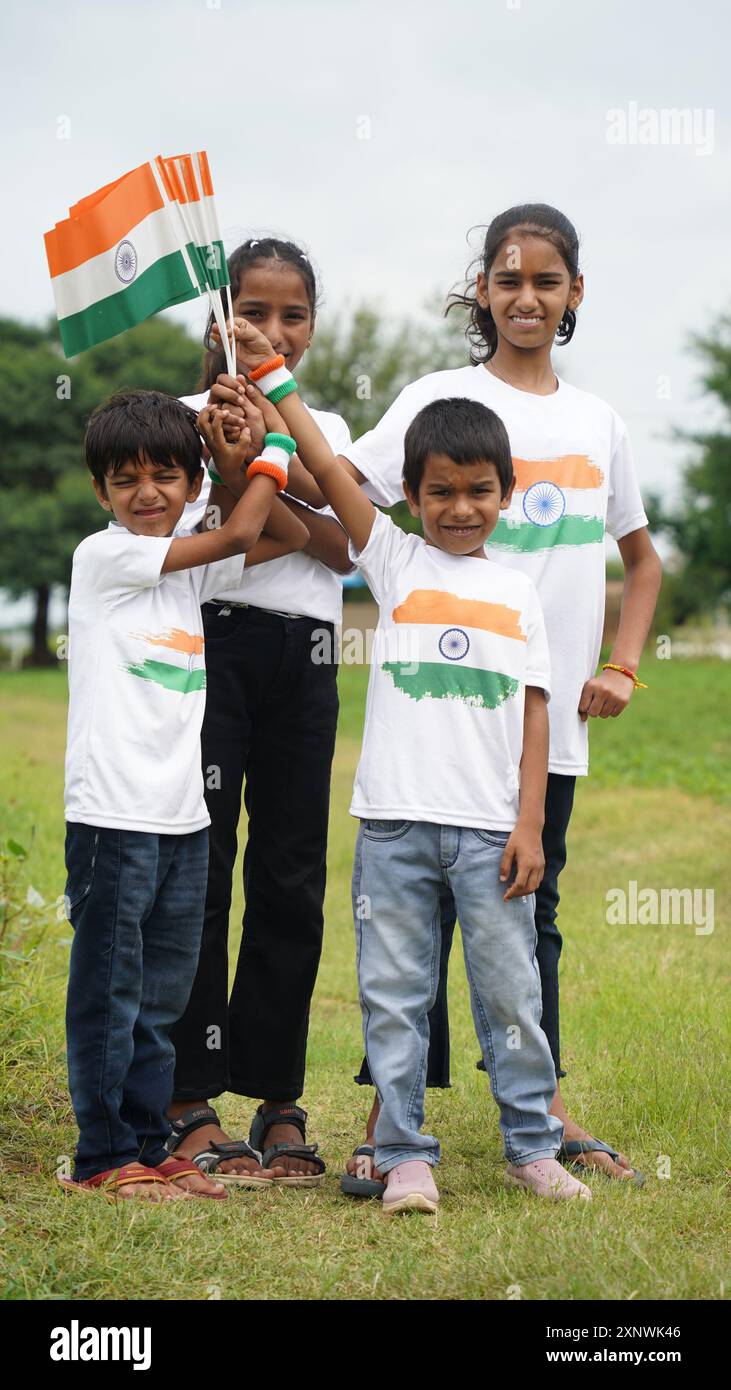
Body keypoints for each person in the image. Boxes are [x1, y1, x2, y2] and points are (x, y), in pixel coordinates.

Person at [316, 204, 662, 1193]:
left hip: (532, 717)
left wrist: (621, 666)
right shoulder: (438, 395)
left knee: (528, 909)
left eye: (544, 281)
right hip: (434, 729)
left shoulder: (597, 422)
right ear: (483, 290)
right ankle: (392, 1119)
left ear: (573, 295)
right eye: (506, 280)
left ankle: (538, 1114)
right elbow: (352, 490)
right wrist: (273, 434)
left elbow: (638, 562)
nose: (524, 297)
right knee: (409, 914)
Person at [230, 319, 596, 1209]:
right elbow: (319, 450)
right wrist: (274, 375)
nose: (460, 509)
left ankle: (528, 1145)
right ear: (411, 496)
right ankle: (401, 1152)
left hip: (488, 837)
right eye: (440, 493)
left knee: (510, 1000)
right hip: (392, 826)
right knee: (393, 996)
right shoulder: (389, 560)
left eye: (478, 491)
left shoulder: (517, 593)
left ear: (507, 493)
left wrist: (529, 825)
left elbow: (535, 712)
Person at [60, 388, 308, 1201]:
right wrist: (269, 444)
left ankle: (147, 1139)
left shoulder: (183, 575)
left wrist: (233, 466)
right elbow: (244, 530)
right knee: (112, 990)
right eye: (125, 479)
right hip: (113, 818)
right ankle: (101, 1156)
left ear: (190, 481)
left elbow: (291, 533)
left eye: (166, 475)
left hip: (180, 818)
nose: (146, 493)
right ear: (101, 492)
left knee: (162, 996)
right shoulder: (108, 557)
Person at [166, 239, 354, 1185]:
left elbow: (339, 547)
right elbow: (194, 544)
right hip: (214, 649)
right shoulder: (180, 423)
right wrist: (230, 468)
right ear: (217, 313)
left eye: (292, 315)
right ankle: (188, 1097)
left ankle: (278, 1096)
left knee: (290, 874)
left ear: (312, 323)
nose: (271, 331)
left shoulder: (329, 427)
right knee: (199, 868)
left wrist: (258, 473)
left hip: (307, 657)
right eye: (253, 311)